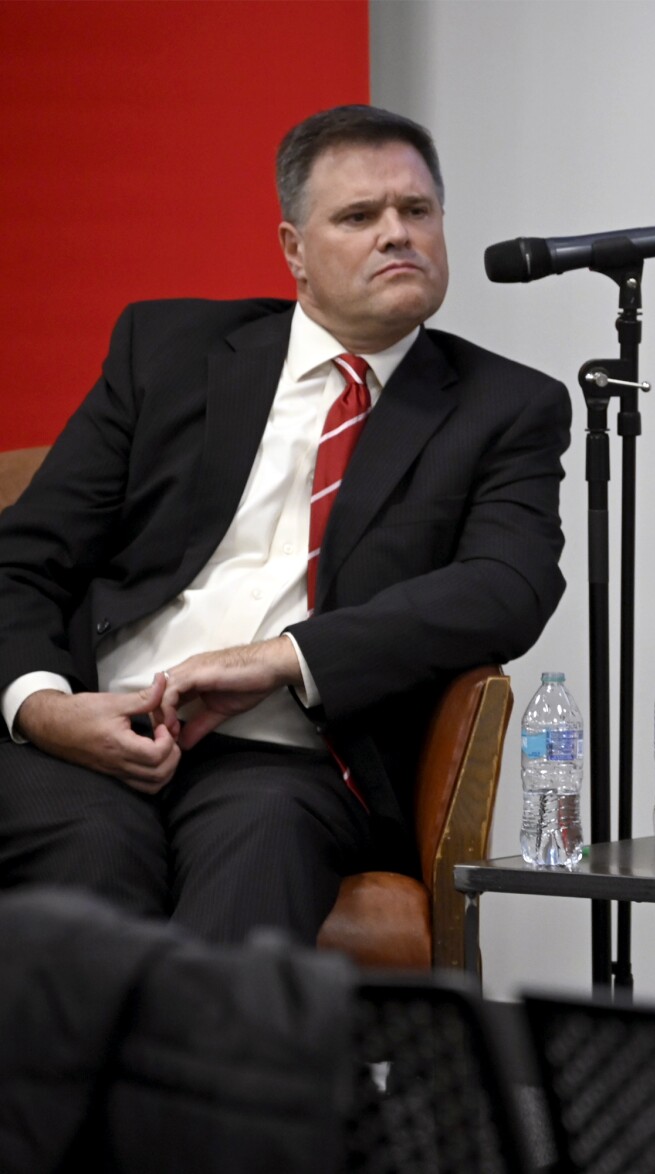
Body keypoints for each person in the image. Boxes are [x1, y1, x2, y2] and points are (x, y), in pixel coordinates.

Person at [0, 105, 570, 945]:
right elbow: (24, 560)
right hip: (100, 726)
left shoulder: (505, 407)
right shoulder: (166, 352)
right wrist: (47, 709)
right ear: (294, 250)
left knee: (253, 859)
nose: (396, 234)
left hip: (292, 759)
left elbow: (507, 587)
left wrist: (283, 658)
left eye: (417, 212)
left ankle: (198, 1079)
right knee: (90, 855)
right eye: (358, 216)